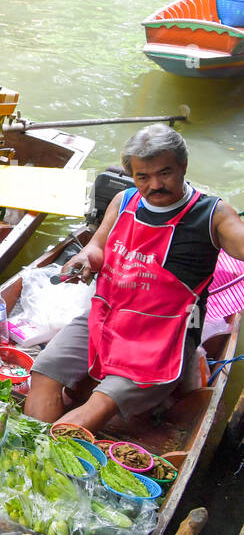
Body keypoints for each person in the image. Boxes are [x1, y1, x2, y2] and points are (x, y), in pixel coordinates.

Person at [24, 125, 244, 432]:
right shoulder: (123, 200)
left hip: (163, 334)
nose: (155, 184)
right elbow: (97, 247)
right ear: (133, 175)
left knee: (98, 404)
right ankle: (28, 451)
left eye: (164, 173)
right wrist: (84, 258)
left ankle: (38, 459)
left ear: (183, 166)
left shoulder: (212, 215)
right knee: (44, 371)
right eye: (143, 177)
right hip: (106, 316)